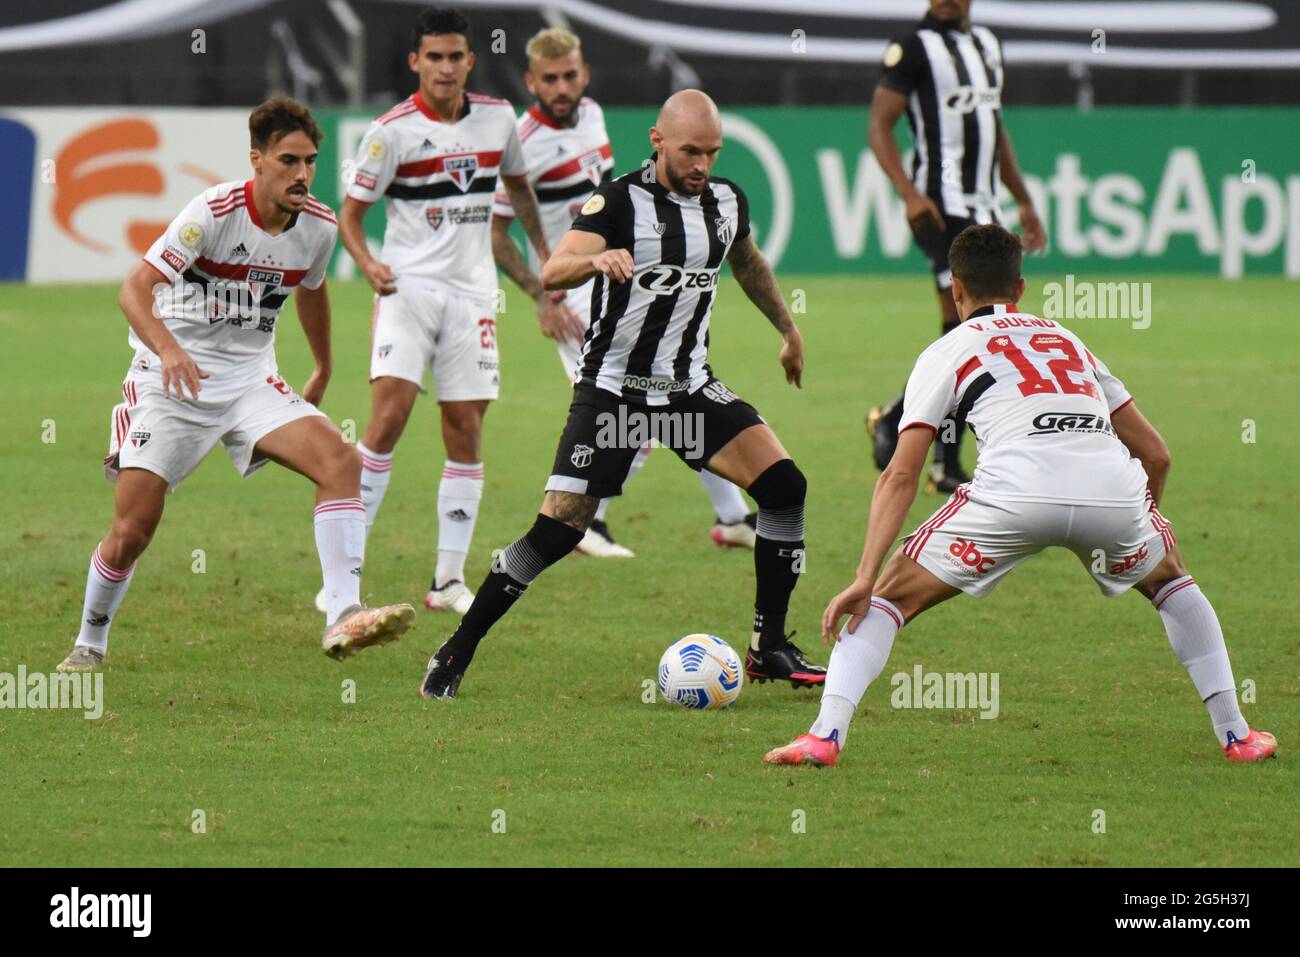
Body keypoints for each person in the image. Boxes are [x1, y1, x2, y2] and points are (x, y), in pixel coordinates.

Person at [764, 224, 1276, 767]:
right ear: (1021, 288)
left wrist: (864, 577)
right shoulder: (1067, 339)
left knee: (888, 598)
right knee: (1172, 581)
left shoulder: (947, 349)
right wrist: (1140, 525)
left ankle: (824, 735)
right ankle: (1236, 735)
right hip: (1112, 491)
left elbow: (900, 474)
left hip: (1013, 497)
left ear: (955, 288)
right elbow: (1157, 454)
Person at [420, 89, 825, 700]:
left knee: (784, 487)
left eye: (712, 152)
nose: (702, 166)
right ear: (658, 141)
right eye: (691, 151)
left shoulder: (725, 202)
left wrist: (788, 329)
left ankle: (768, 646)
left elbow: (746, 262)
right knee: (558, 532)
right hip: (615, 397)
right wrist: (597, 259)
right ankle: (457, 649)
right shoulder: (617, 201)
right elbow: (555, 270)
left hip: (689, 391)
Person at [56, 97, 415, 673]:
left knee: (340, 463)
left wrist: (322, 364)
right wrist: (170, 350)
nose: (302, 174)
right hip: (171, 382)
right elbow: (134, 290)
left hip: (251, 381)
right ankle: (90, 641)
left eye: (311, 162)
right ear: (257, 159)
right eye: (289, 160)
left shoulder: (319, 226)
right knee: (132, 531)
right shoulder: (213, 212)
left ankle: (344, 613)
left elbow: (312, 288)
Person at [491, 27, 758, 558]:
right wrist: (543, 297)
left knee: (678, 386)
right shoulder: (523, 142)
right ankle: (587, 522)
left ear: (584, 74)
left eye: (570, 75)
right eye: (550, 79)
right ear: (531, 82)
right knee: (635, 413)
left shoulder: (591, 114)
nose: (562, 87)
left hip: (621, 282)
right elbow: (498, 233)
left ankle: (732, 517)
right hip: (573, 291)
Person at [331, 6, 556, 617]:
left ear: (470, 61)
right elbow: (350, 215)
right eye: (434, 57)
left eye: (456, 56)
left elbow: (519, 188)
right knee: (389, 417)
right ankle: (345, 574)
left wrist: (544, 259)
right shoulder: (388, 133)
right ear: (415, 63)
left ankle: (447, 581)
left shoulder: (498, 119)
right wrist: (369, 262)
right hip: (407, 291)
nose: (446, 67)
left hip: (474, 295)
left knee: (465, 429)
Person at [864, 0, 1046, 493]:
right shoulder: (914, 48)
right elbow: (879, 125)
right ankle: (942, 458)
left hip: (984, 205)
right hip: (940, 208)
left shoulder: (986, 44)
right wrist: (909, 194)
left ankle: (899, 422)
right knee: (975, 330)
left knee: (972, 333)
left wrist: (1024, 200)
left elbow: (995, 128)